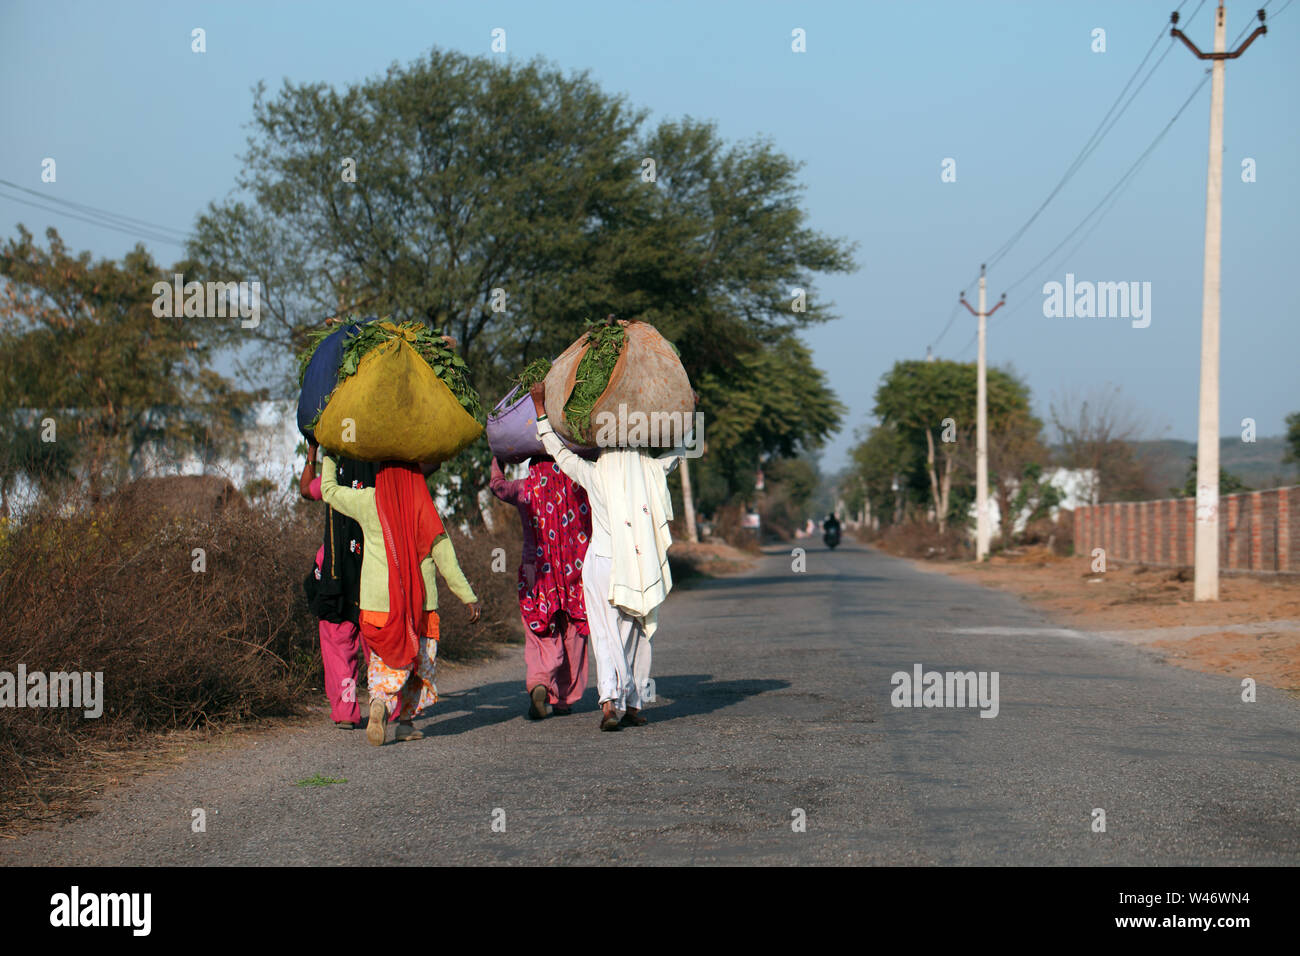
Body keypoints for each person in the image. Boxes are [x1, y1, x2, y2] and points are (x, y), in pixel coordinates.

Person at [528, 381, 681, 732]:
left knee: (605, 634)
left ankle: (612, 702)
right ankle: (632, 703)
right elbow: (678, 455)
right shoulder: (649, 471)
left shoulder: (596, 472)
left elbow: (560, 454)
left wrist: (540, 410)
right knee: (636, 632)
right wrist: (689, 416)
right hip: (637, 564)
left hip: (601, 564)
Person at [320, 452, 481, 746]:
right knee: (416, 666)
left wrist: (330, 454)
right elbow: (445, 556)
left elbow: (328, 491)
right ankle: (403, 718)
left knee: (385, 660)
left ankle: (383, 705)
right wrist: (467, 596)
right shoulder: (424, 507)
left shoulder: (370, 501)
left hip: (377, 604)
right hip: (419, 606)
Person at [489, 454, 592, 720]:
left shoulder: (524, 488)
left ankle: (539, 681)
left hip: (537, 571)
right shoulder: (578, 484)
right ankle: (563, 699)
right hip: (575, 570)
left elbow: (498, 486)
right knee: (573, 633)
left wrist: (497, 459)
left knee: (540, 632)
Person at [300, 439, 375, 729]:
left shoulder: (336, 472)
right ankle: (390, 704)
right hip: (371, 572)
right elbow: (429, 466)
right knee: (377, 640)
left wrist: (312, 452)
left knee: (337, 641)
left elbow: (307, 490)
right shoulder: (382, 473)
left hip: (335, 573)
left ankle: (346, 711)